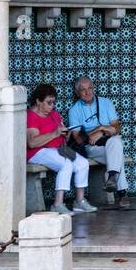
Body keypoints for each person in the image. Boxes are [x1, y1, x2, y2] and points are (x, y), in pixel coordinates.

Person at [26, 83, 95, 215]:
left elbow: (61, 137)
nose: (52, 106)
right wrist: (55, 134)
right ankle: (57, 204)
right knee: (66, 165)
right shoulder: (31, 116)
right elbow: (32, 143)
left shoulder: (54, 115)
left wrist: (66, 134)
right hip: (37, 152)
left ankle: (79, 202)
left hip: (58, 149)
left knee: (83, 163)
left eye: (53, 102)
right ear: (38, 101)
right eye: (48, 102)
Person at [67, 76, 131, 209]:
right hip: (92, 147)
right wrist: (99, 128)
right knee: (117, 152)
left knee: (116, 142)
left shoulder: (105, 103)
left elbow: (117, 128)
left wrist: (101, 131)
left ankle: (112, 177)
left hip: (109, 142)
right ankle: (122, 192)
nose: (87, 92)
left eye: (90, 88)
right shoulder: (74, 110)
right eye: (83, 89)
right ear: (77, 92)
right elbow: (78, 139)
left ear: (93, 88)